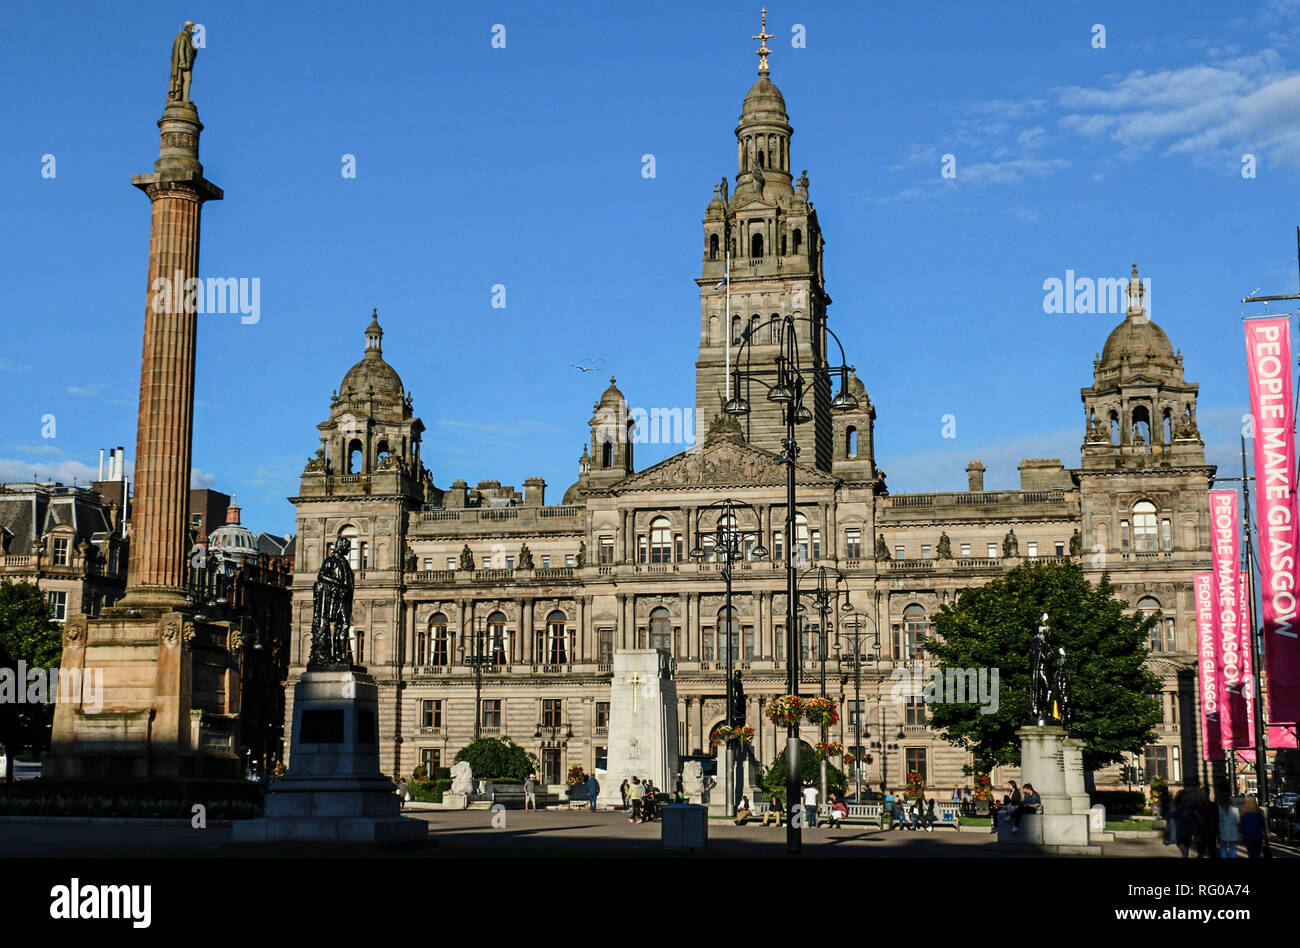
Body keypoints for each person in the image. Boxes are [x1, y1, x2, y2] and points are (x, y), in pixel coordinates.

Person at [1195, 788, 1219, 858]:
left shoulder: (1213, 805)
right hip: (1200, 832)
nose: (1203, 795)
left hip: (1211, 832)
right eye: (1202, 794)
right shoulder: (1197, 806)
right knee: (1200, 852)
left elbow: (1216, 819)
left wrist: (1217, 831)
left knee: (1212, 852)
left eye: (1205, 793)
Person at [1218, 791, 1241, 859]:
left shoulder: (1219, 809)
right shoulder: (1235, 809)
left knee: (1223, 850)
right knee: (1233, 851)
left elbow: (1217, 820)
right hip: (1233, 832)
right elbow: (1238, 821)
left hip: (1222, 832)